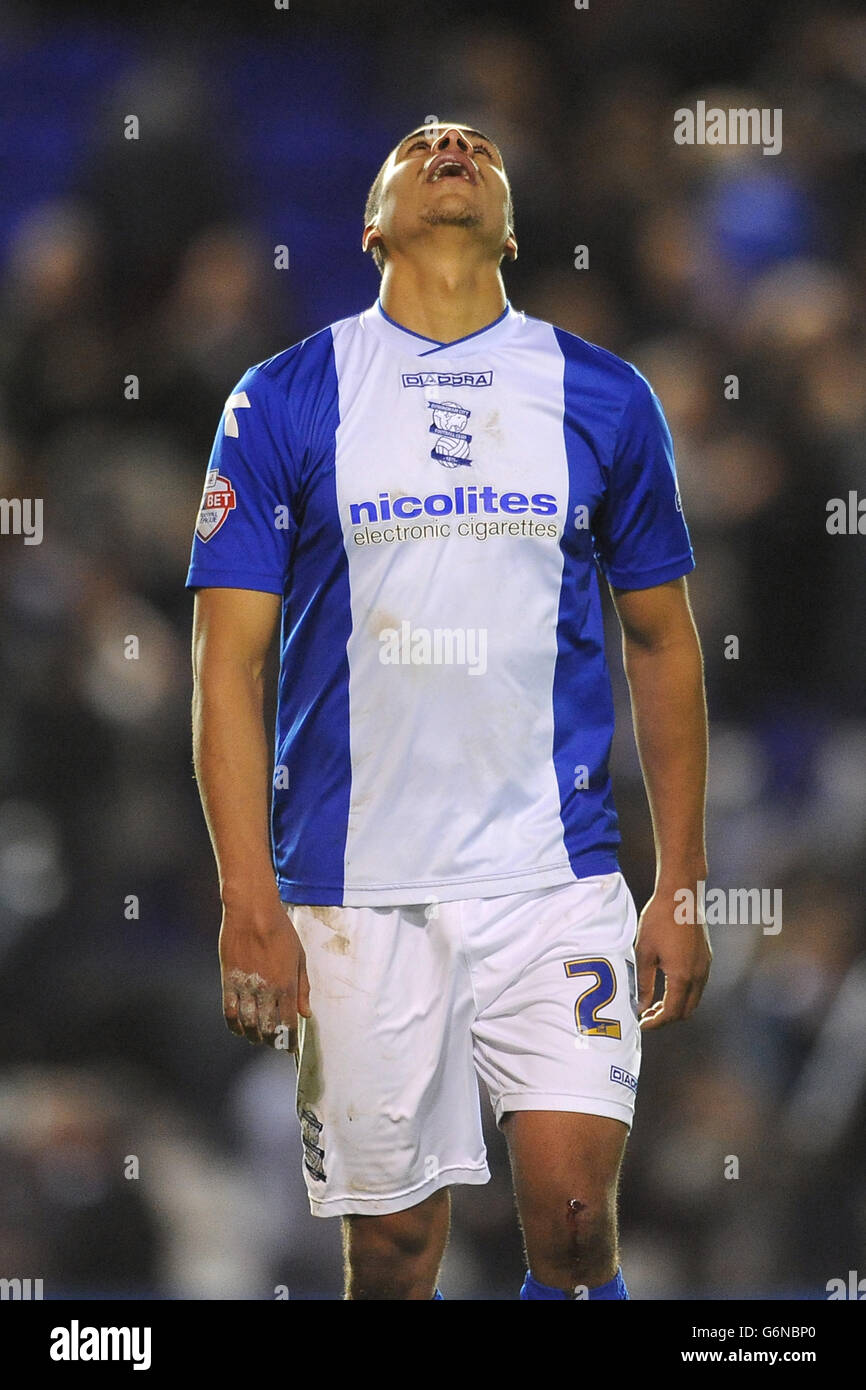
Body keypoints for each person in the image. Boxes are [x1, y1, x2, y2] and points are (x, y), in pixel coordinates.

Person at [187, 122, 711, 1301]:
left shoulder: (604, 396)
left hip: (552, 875)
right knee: (393, 1251)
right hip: (353, 886)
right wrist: (247, 900)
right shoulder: (281, 398)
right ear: (371, 223)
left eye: (470, 142)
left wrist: (678, 878)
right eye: (417, 144)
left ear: (510, 227)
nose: (449, 143)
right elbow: (227, 667)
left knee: (574, 1226)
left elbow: (661, 640)